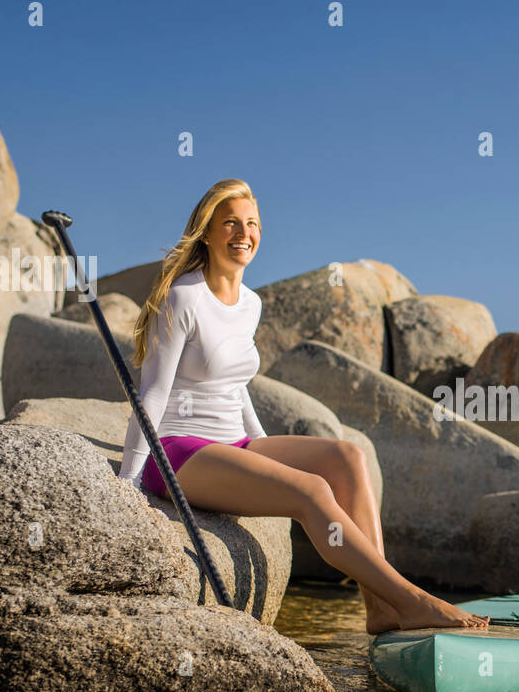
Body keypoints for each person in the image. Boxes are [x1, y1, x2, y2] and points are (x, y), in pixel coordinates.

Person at [118, 178, 488, 634]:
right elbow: (151, 391)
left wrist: (261, 445)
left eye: (252, 224)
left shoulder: (249, 304)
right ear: (207, 232)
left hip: (232, 443)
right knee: (310, 491)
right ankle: (412, 599)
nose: (243, 233)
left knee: (347, 456)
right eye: (230, 223)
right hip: (176, 452)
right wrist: (129, 481)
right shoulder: (183, 297)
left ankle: (380, 607)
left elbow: (235, 385)